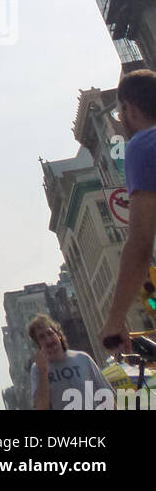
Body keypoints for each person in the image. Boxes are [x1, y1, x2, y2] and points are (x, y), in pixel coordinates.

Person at [101, 69, 156, 354]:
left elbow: (140, 245)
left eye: (120, 112)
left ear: (129, 109)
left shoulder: (143, 146)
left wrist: (114, 319)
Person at [28, 315, 114, 410]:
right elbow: (41, 407)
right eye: (41, 337)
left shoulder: (83, 358)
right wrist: (43, 372)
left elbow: (107, 396)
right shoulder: (36, 370)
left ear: (59, 335)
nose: (48, 340)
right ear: (38, 344)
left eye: (50, 333)